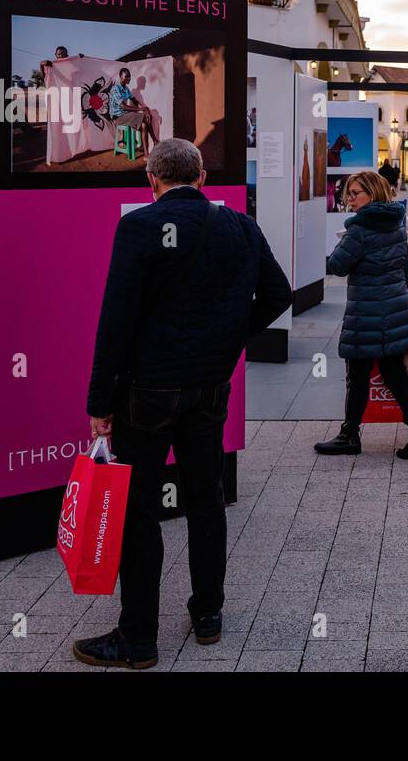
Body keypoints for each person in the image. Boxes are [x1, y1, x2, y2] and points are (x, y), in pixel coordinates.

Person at [74, 138, 292, 670]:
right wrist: (227, 340)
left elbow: (115, 321)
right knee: (205, 497)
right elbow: (279, 293)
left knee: (140, 510)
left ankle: (139, 639)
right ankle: (208, 615)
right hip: (209, 388)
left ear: (151, 180)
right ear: (202, 179)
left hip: (146, 392)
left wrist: (99, 401)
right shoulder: (239, 226)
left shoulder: (139, 227)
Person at [315, 171, 408, 459]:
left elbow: (338, 266)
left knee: (357, 376)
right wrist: (405, 302)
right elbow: (406, 269)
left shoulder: (360, 229)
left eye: (355, 194)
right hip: (394, 309)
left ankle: (349, 436)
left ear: (372, 193)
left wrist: (332, 249)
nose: (349, 200)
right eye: (348, 194)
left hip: (367, 313)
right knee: (395, 375)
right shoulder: (394, 222)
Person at [109, 67, 153, 155]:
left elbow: (134, 100)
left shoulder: (126, 88)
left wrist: (144, 108)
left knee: (144, 125)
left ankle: (146, 155)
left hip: (125, 115)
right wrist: (142, 110)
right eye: (126, 77)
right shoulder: (115, 89)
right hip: (117, 117)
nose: (129, 78)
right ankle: (155, 140)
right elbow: (123, 106)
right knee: (144, 116)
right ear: (120, 77)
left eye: (130, 77)